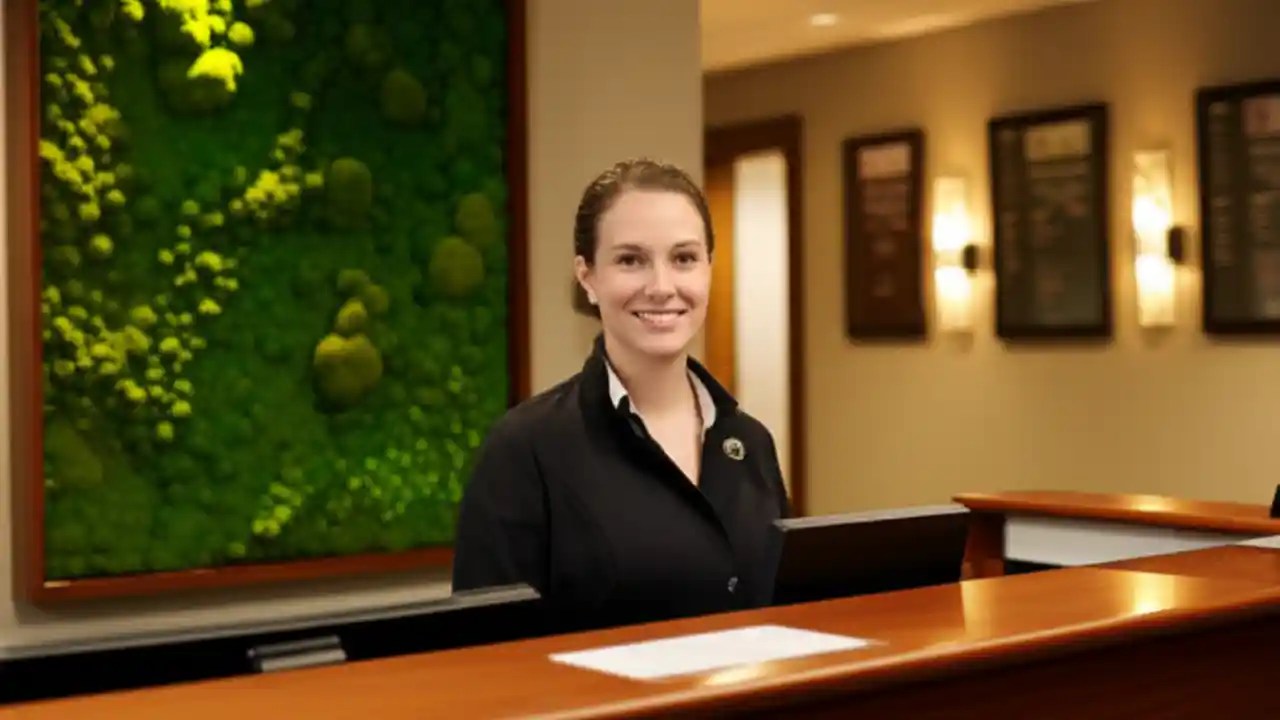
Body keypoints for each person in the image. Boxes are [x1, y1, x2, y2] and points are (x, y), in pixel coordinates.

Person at [450, 158, 791, 632]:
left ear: (709, 268)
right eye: (631, 260)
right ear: (588, 276)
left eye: (684, 258)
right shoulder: (525, 451)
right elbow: (482, 661)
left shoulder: (751, 443)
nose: (662, 287)